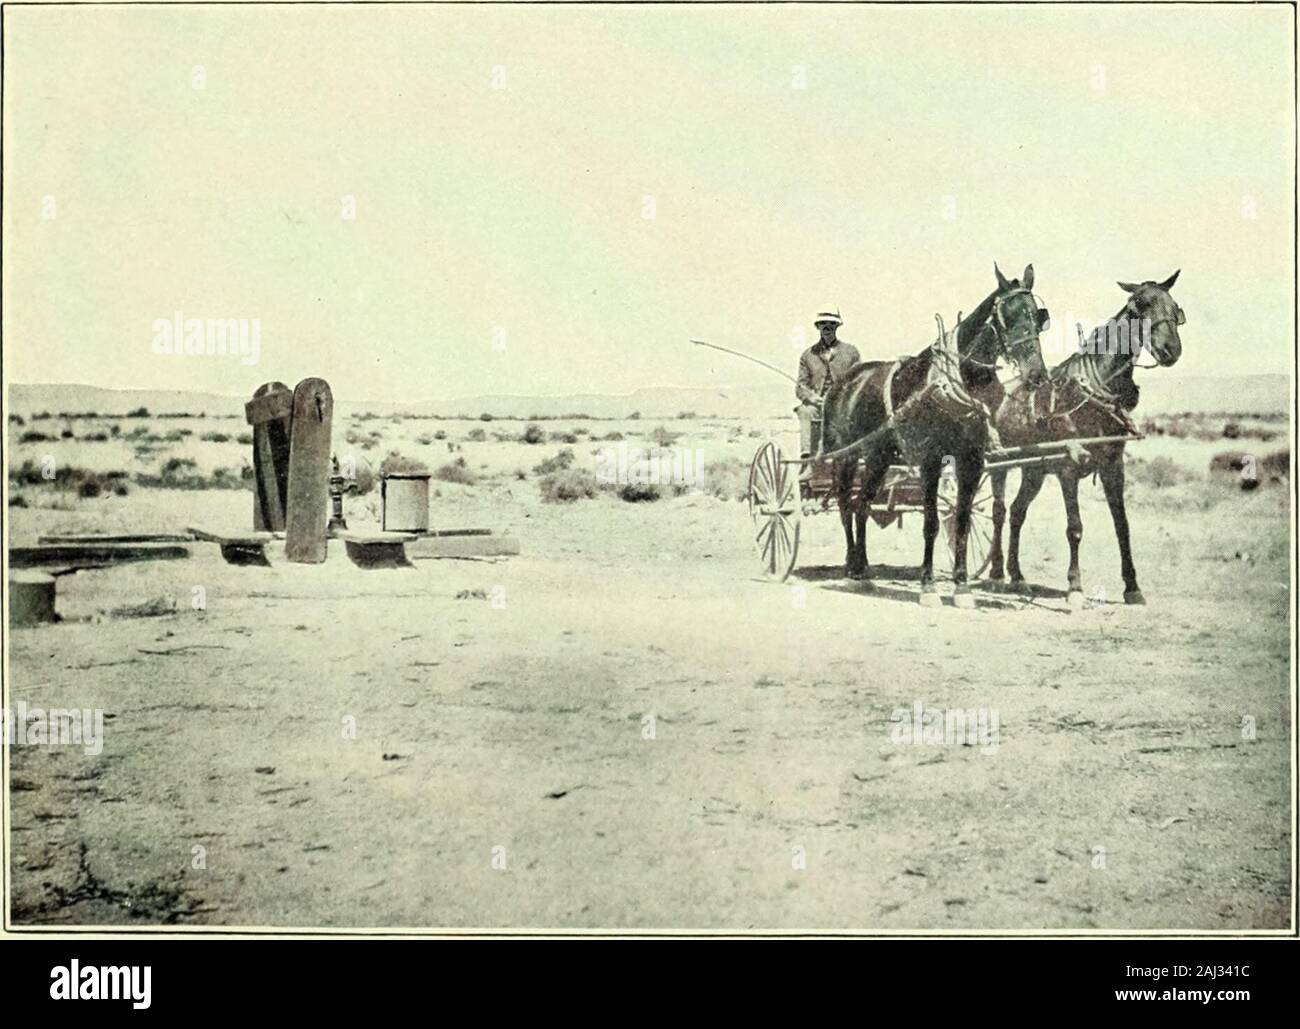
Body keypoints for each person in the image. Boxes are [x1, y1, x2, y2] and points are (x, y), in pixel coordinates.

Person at [795, 309, 860, 475]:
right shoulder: (808, 355)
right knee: (805, 411)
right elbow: (801, 386)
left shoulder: (851, 352)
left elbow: (859, 380)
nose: (827, 327)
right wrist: (813, 398)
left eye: (831, 324)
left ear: (837, 326)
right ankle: (808, 461)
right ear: (818, 327)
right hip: (818, 404)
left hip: (844, 404)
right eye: (823, 324)